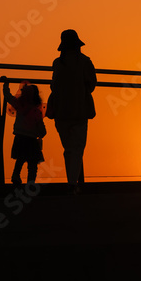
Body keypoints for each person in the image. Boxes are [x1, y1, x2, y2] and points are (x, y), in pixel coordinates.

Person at [45, 29, 97, 193]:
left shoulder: (57, 63)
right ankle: (72, 183)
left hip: (61, 111)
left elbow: (54, 86)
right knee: (77, 148)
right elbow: (91, 85)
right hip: (79, 110)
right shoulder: (85, 62)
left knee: (68, 149)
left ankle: (72, 182)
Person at [3, 79, 46, 186]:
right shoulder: (36, 111)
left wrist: (5, 84)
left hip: (20, 136)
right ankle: (31, 182)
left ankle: (15, 175)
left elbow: (8, 96)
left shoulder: (19, 104)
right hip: (32, 139)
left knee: (20, 158)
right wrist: (42, 133)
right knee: (33, 163)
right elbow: (41, 127)